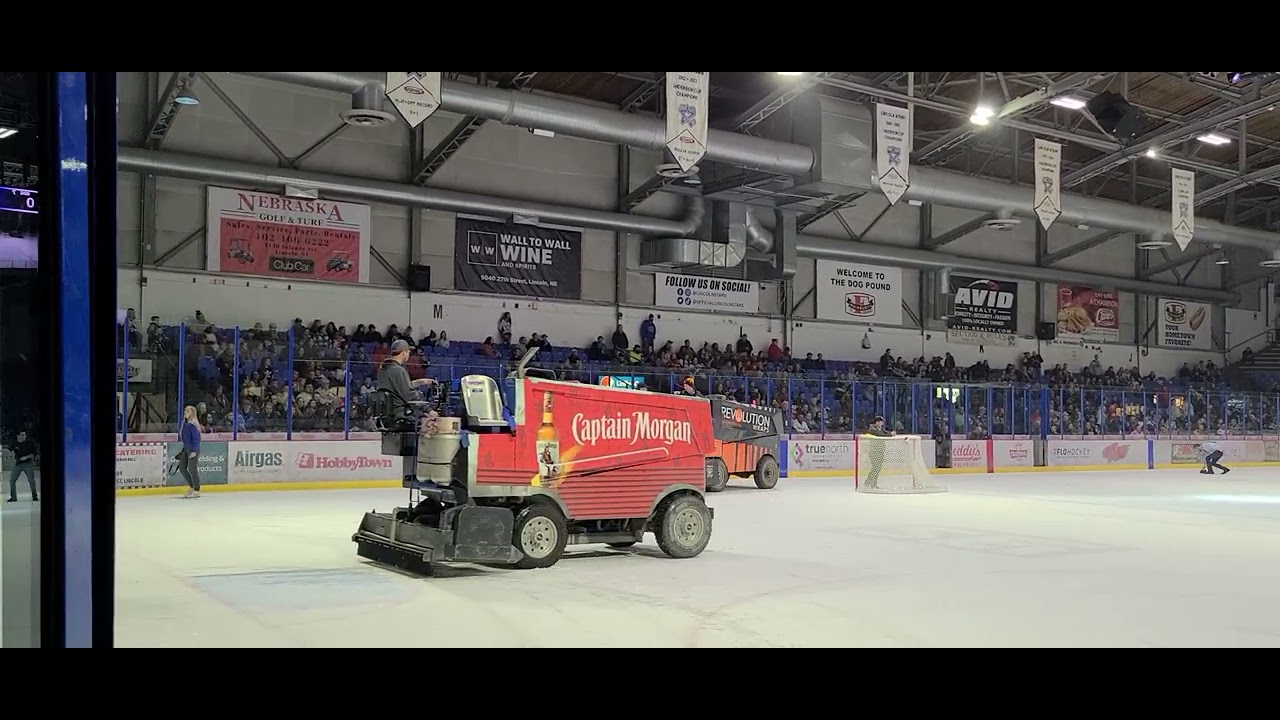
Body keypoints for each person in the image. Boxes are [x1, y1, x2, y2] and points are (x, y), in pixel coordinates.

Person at [376, 339, 435, 420]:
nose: (409, 354)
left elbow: (398, 387)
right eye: (408, 352)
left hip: (388, 414)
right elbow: (409, 395)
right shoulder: (398, 370)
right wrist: (428, 410)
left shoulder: (384, 368)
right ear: (403, 353)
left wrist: (419, 382)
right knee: (428, 420)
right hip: (400, 414)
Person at [861, 415, 895, 490]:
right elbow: (881, 435)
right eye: (881, 422)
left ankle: (870, 483)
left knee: (877, 468)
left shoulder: (880, 428)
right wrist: (890, 434)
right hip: (874, 451)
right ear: (877, 422)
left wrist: (891, 433)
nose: (882, 424)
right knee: (875, 468)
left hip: (880, 450)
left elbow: (886, 433)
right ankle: (870, 483)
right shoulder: (872, 429)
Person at [178, 405, 203, 498]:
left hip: (193, 449)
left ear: (192, 413)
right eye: (185, 411)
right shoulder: (184, 424)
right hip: (186, 449)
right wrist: (184, 449)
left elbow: (196, 439)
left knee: (192, 469)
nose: (185, 412)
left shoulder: (193, 425)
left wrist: (194, 451)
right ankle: (192, 486)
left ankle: (196, 489)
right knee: (182, 468)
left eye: (188, 411)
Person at [8, 430, 38, 502]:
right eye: (22, 435)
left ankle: (34, 496)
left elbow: (34, 453)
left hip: (27, 464)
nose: (24, 436)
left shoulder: (29, 443)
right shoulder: (14, 443)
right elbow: (9, 451)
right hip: (18, 464)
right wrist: (11, 454)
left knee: (31, 480)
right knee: (12, 480)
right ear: (18, 436)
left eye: (25, 435)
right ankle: (13, 497)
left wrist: (27, 457)